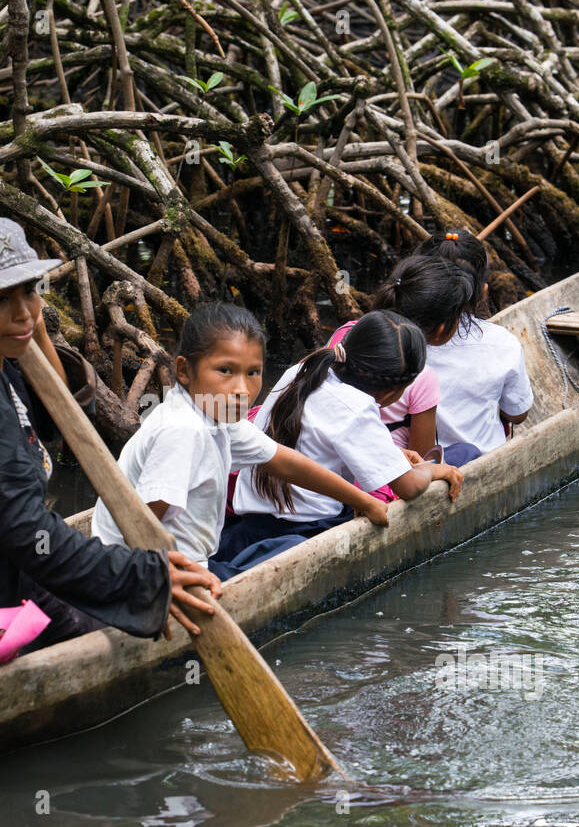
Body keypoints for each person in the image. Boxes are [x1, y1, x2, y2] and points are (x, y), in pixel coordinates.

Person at [0, 215, 221, 649]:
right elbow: (28, 534)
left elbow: (50, 418)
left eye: (29, 290)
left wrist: (33, 328)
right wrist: (145, 576)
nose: (22, 312)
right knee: (134, 623)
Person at [92, 303, 391, 579]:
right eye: (225, 370)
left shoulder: (216, 414)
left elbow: (286, 463)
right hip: (145, 572)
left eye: (253, 373)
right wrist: (169, 583)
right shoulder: (184, 430)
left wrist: (362, 500)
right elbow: (139, 524)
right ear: (184, 370)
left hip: (189, 560)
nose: (242, 389)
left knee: (288, 544)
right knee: (291, 549)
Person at [216, 310, 463, 571]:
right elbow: (409, 487)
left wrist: (394, 455)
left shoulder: (303, 370)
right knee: (461, 455)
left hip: (251, 518)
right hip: (307, 524)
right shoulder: (357, 409)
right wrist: (434, 469)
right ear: (391, 392)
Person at [325, 253, 474, 458]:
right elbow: (421, 456)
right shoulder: (421, 375)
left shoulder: (347, 332)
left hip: (331, 451)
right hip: (386, 470)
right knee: (467, 452)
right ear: (440, 329)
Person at [413, 230, 533, 462]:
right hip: (479, 460)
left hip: (412, 466)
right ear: (482, 293)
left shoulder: (395, 338)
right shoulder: (502, 342)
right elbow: (517, 414)